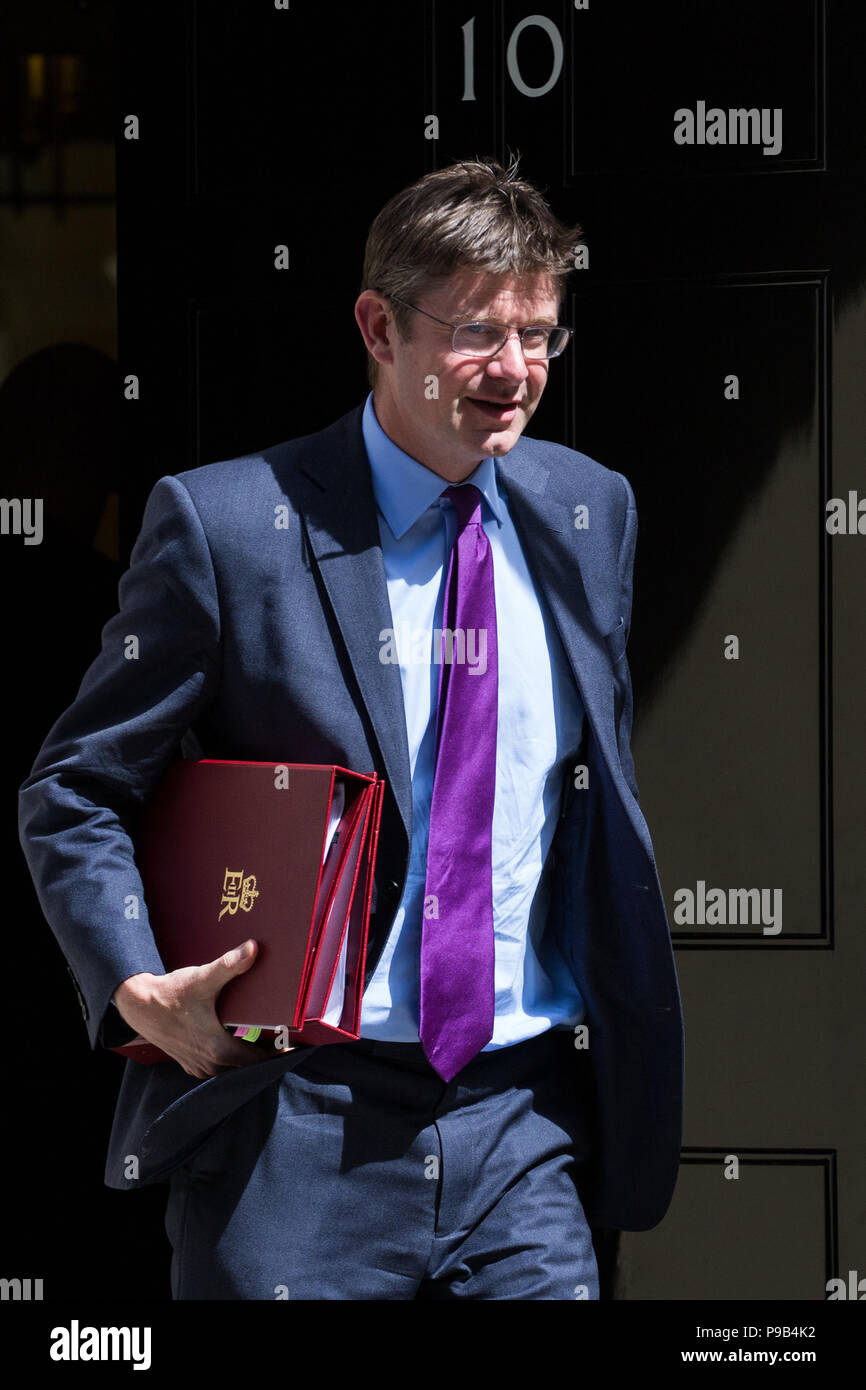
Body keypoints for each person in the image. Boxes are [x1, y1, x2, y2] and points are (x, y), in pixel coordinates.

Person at [18, 157, 684, 1300]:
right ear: (378, 327)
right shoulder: (230, 525)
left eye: (538, 334)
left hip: (521, 1119)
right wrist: (134, 981)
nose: (515, 371)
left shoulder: (589, 511)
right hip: (298, 1129)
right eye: (478, 333)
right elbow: (75, 787)